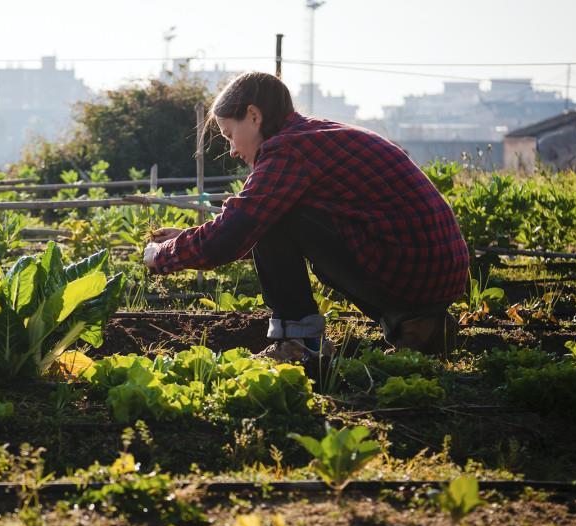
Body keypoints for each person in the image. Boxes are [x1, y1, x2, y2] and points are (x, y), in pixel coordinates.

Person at [143, 71, 469, 360]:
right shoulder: (311, 137)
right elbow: (245, 232)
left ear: (254, 116)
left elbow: (232, 235)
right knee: (269, 215)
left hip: (412, 271)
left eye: (229, 134)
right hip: (436, 272)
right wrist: (186, 238)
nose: (232, 150)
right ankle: (422, 324)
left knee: (273, 218)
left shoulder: (288, 150)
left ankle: (301, 344)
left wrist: (162, 255)